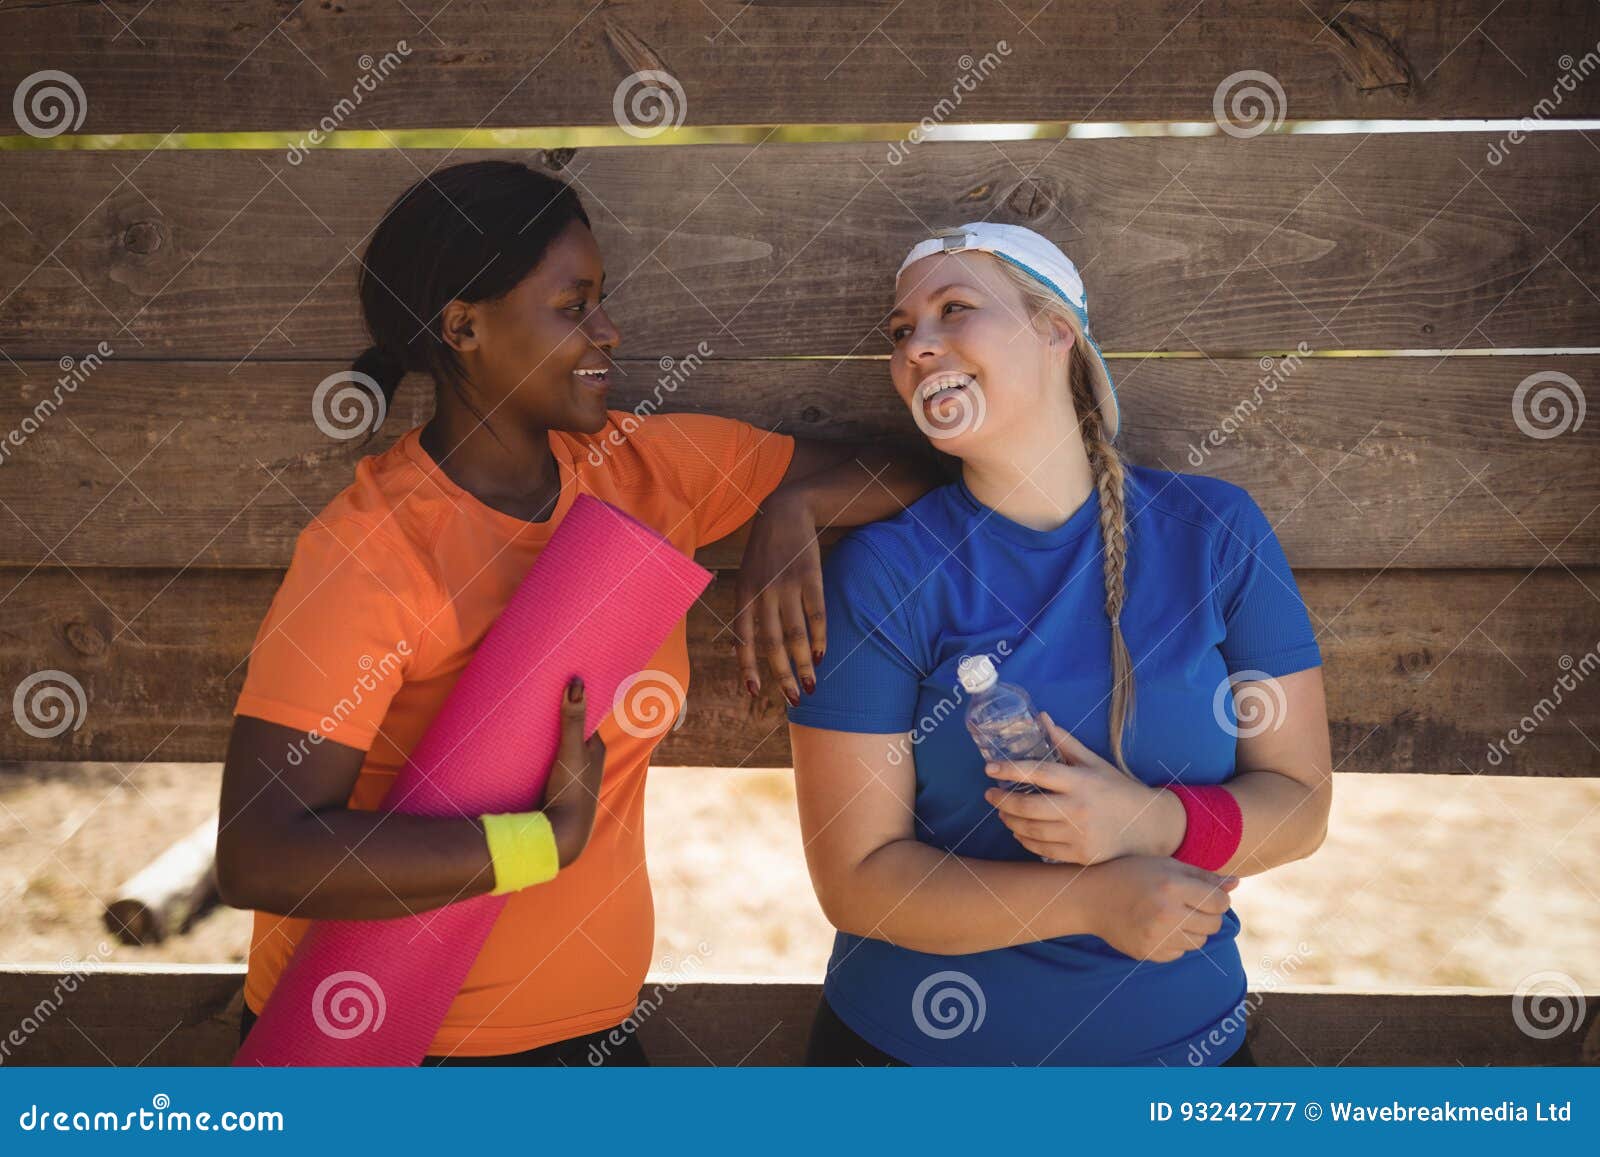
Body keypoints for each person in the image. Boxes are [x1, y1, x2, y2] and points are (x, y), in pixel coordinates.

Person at [218, 160, 941, 1065]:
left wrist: (794, 510)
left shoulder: (644, 472)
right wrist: (537, 843)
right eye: (574, 308)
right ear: (464, 327)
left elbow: (925, 468)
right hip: (388, 1045)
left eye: (601, 302)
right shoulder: (373, 552)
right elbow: (261, 852)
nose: (609, 330)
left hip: (593, 1040)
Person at [785, 222, 1333, 1066]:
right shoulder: (886, 569)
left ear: (1056, 331)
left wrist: (1151, 822)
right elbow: (857, 882)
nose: (919, 347)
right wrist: (1094, 899)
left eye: (954, 309)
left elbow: (1300, 806)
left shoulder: (1215, 532)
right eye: (902, 331)